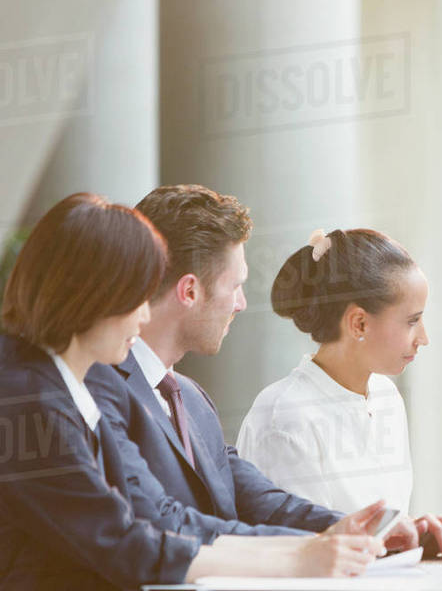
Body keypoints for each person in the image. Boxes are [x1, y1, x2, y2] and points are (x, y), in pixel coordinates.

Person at [0, 193, 386, 590]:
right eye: (139, 296)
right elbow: (128, 542)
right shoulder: (27, 398)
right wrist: (301, 555)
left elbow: (139, 523)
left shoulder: (55, 386)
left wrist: (333, 539)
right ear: (97, 296)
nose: (146, 314)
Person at [85, 185, 419, 549]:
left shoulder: (192, 399)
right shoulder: (100, 387)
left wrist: (362, 529)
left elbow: (259, 498)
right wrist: (308, 548)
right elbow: (159, 521)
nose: (242, 304)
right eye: (237, 285)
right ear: (190, 291)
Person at [237, 226, 442, 556]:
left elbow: (380, 535)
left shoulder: (386, 397)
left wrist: (426, 533)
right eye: (412, 321)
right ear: (359, 324)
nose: (423, 338)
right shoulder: (284, 416)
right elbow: (308, 558)